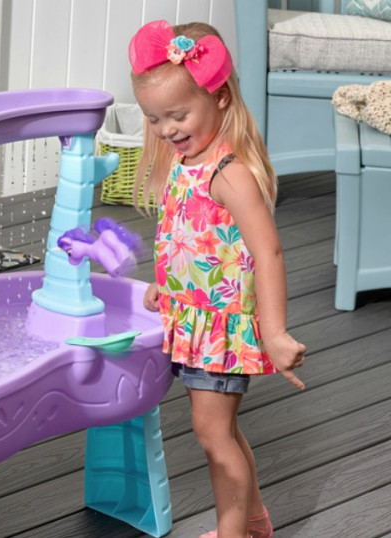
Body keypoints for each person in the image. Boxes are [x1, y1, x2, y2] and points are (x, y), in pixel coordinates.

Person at [129, 20, 308, 538]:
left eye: (178, 115)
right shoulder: (187, 159)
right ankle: (253, 524)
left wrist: (275, 332)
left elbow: (267, 252)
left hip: (221, 329)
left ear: (220, 97)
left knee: (213, 436)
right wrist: (170, 283)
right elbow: (192, 237)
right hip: (195, 319)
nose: (166, 130)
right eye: (154, 118)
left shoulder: (229, 173)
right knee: (219, 432)